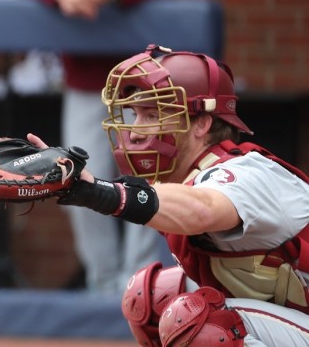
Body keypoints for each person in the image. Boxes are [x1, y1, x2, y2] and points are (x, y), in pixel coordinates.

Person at [37, 45, 309, 346]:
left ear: (202, 123)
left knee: (200, 323)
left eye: (152, 115)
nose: (136, 132)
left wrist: (104, 194)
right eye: (135, 114)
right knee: (152, 295)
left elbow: (203, 208)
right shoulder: (186, 176)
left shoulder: (245, 170)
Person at [22, 0, 182, 295]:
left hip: (143, 82)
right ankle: (102, 284)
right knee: (78, 176)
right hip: (85, 79)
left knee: (143, 178)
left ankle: (139, 284)